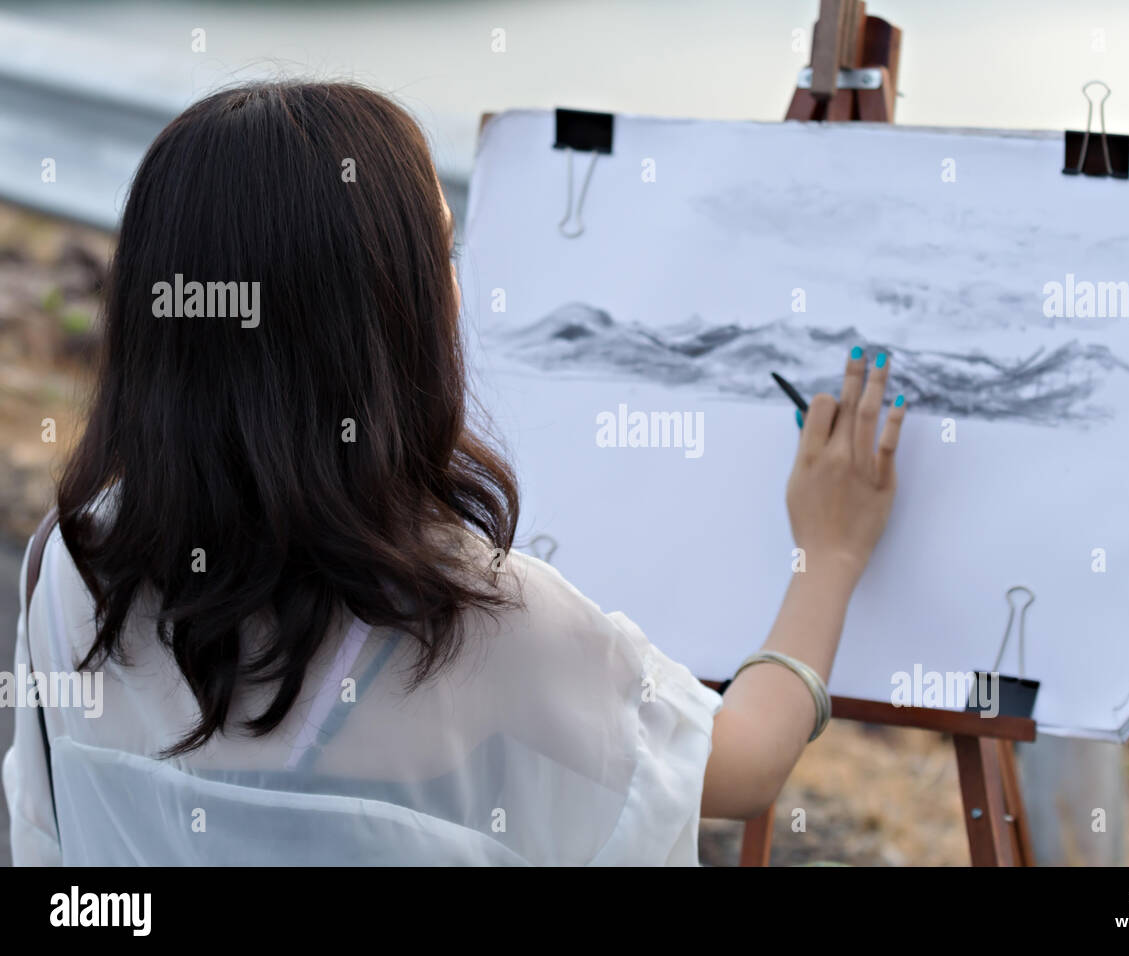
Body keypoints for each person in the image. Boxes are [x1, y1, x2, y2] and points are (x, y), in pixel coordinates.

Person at [3, 82, 905, 866]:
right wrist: (826, 554)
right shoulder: (479, 626)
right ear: (384, 323)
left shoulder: (73, 566)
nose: (458, 288)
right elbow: (743, 765)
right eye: (439, 251)